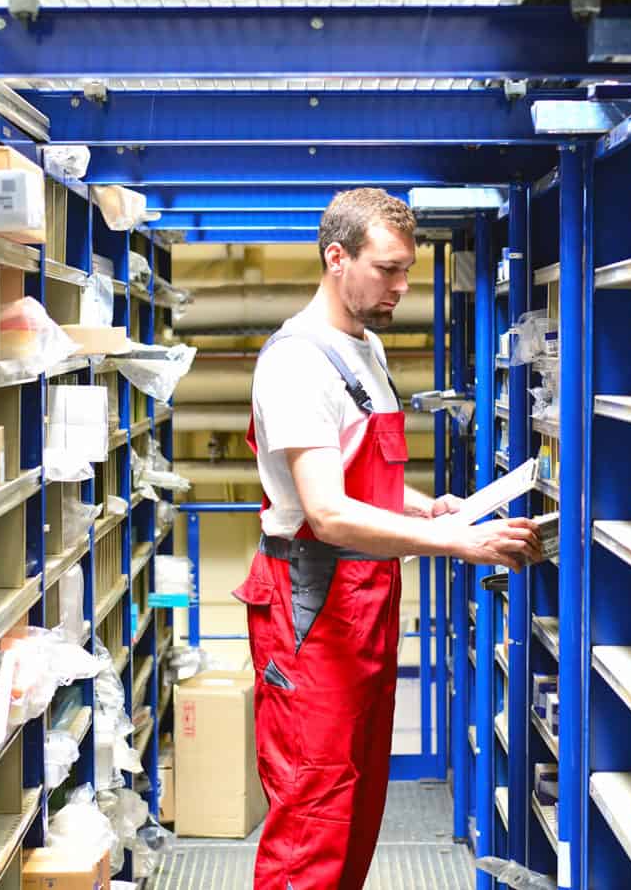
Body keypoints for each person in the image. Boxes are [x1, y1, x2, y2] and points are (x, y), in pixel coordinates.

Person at [233, 188, 541, 889]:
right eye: (388, 269)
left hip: (366, 601)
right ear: (336, 258)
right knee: (313, 811)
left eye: (407, 270)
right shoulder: (297, 363)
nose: (401, 287)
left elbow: (354, 477)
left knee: (357, 803)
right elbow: (327, 513)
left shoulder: (364, 347)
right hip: (312, 607)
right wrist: (457, 543)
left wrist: (429, 509)